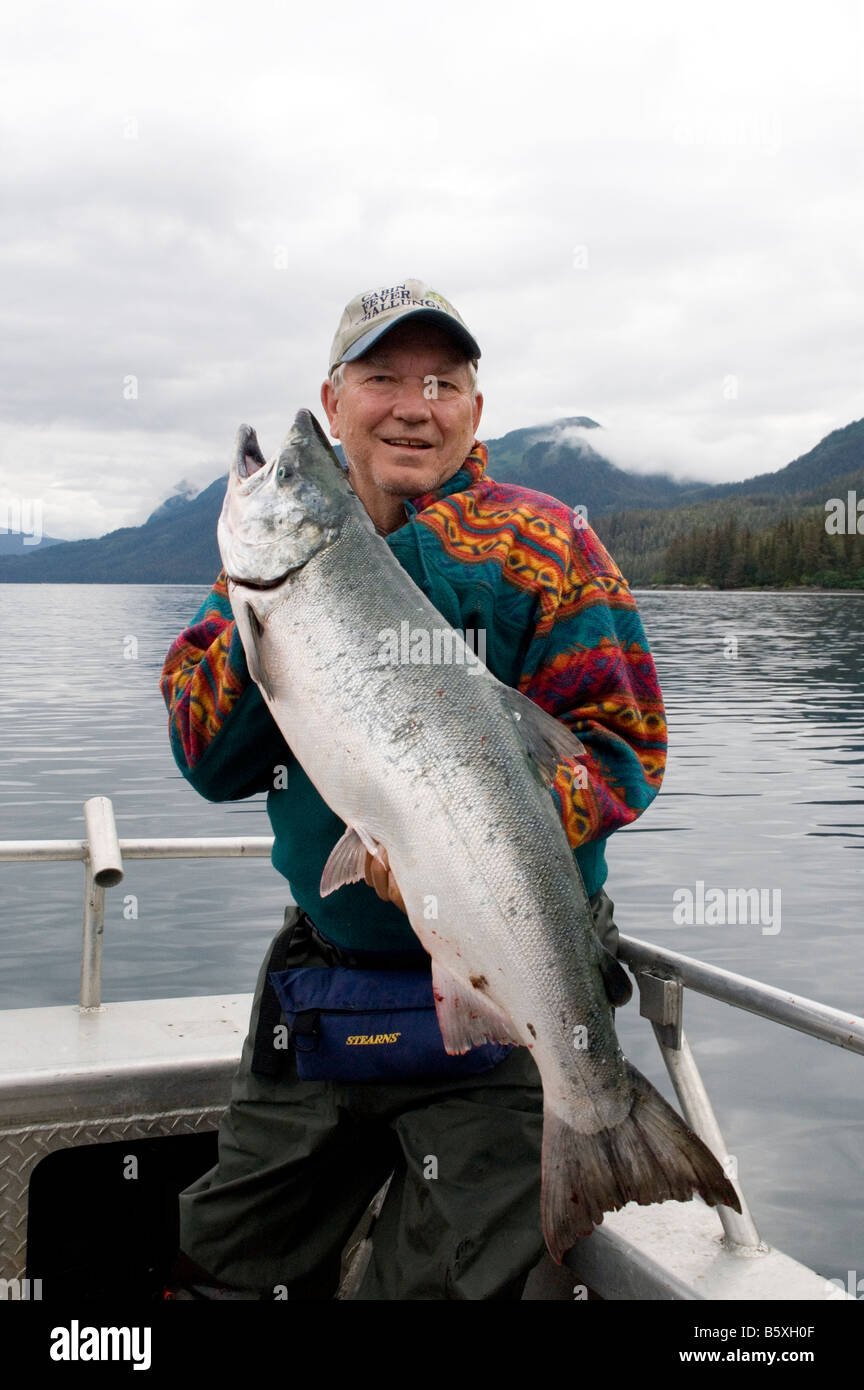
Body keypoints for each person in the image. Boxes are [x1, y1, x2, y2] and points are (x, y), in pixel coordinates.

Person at [159, 278, 667, 1300]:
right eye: (380, 377)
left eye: (441, 381)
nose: (412, 404)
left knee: (451, 1286)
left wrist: (448, 848)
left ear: (474, 407)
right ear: (333, 400)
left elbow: (624, 753)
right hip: (326, 978)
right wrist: (281, 628)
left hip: (509, 982)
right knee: (230, 1261)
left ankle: (600, 1123)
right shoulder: (278, 546)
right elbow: (205, 759)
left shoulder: (548, 547)